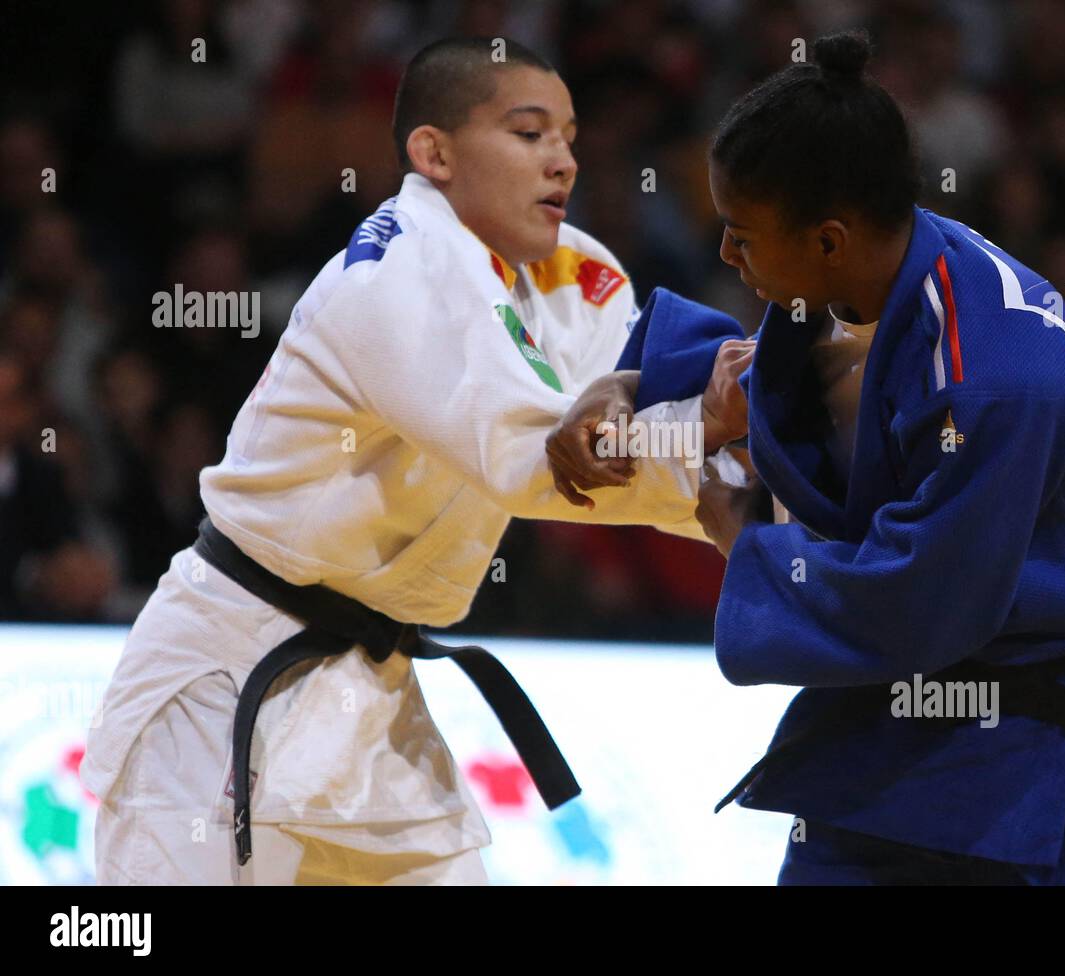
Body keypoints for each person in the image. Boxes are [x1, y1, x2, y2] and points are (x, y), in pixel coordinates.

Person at [82, 36, 741, 886]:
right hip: (228, 671)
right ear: (433, 153)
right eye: (529, 133)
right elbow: (541, 459)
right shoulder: (400, 268)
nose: (563, 161)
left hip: (374, 687)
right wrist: (713, 447)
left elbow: (645, 438)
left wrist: (768, 494)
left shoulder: (580, 279)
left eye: (570, 137)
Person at [579, 31, 1065, 884]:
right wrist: (625, 385)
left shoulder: (996, 373)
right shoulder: (848, 287)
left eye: (741, 236)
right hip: (911, 702)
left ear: (830, 238)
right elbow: (756, 373)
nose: (726, 256)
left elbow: (921, 599)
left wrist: (745, 539)